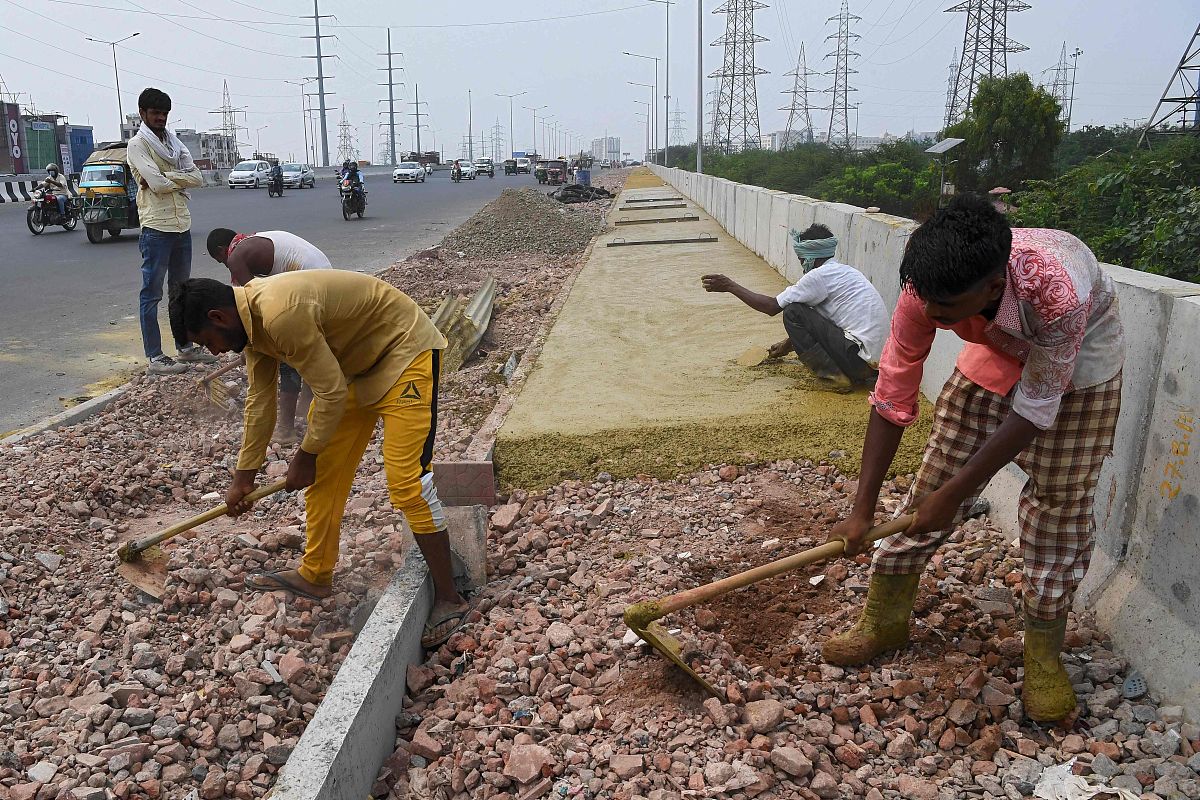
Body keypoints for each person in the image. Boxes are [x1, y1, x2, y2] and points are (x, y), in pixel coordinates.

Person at [823, 195, 1124, 724]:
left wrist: (956, 494)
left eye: (945, 308)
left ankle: (1043, 654)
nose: (931, 316)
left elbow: (1036, 407)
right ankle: (884, 620)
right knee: (931, 483)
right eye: (926, 304)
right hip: (995, 350)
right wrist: (862, 508)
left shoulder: (1058, 291)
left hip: (1078, 370)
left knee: (1060, 508)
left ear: (992, 287)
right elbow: (892, 394)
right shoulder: (926, 291)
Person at [169, 272, 472, 650]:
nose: (214, 353)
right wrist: (243, 478)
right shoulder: (252, 330)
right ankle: (315, 574)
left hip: (403, 354)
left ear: (219, 317)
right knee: (324, 474)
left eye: (208, 342)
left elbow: (329, 394)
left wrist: (305, 454)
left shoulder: (280, 314)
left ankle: (449, 597)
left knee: (407, 482)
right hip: (353, 371)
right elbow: (259, 404)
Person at [701, 224, 887, 391]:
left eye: (801, 260)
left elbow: (772, 307)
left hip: (857, 361)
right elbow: (825, 322)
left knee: (792, 311)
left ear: (810, 258)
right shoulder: (847, 272)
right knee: (805, 309)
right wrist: (786, 345)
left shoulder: (818, 276)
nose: (802, 267)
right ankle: (850, 373)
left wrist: (730, 286)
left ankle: (833, 377)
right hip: (875, 365)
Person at [206, 227, 333, 443]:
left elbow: (252, 304)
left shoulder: (236, 258)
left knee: (286, 352)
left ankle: (285, 430)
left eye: (220, 260)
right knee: (310, 349)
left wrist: (251, 344)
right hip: (326, 280)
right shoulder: (253, 242)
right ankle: (305, 409)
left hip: (312, 287)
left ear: (221, 250)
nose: (225, 265)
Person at [126, 87, 215, 375]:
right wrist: (171, 179)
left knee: (181, 292)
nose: (161, 118)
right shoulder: (138, 145)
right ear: (142, 113)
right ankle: (155, 356)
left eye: (164, 113)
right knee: (151, 293)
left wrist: (165, 176)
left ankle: (185, 347)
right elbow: (157, 184)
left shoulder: (174, 143)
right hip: (156, 227)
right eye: (155, 113)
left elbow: (197, 178)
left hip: (181, 225)